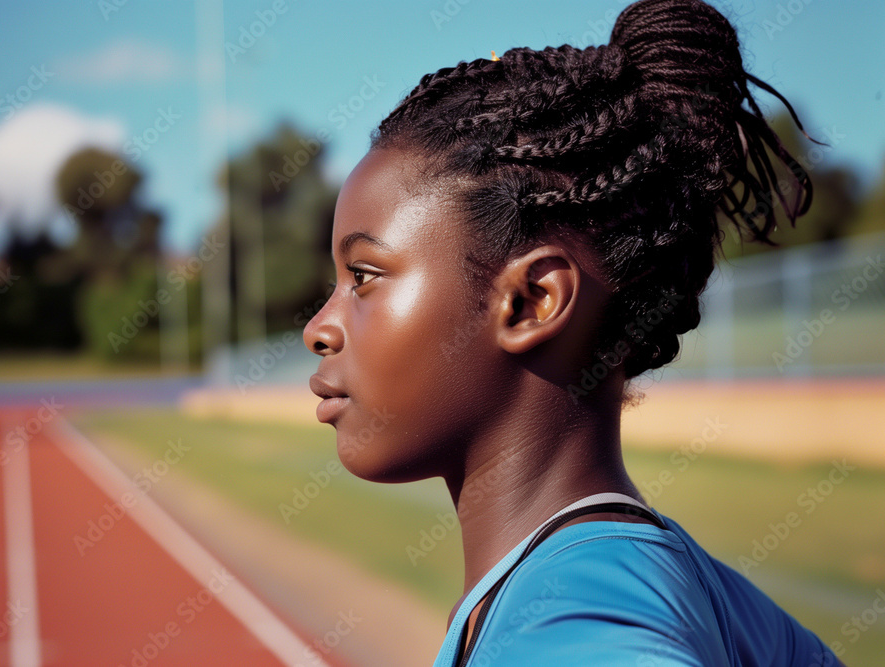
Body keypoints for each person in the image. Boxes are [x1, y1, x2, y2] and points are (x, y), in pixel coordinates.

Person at [303, 0, 843, 664]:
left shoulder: (578, 613)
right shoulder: (708, 598)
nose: (319, 328)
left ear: (532, 300)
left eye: (363, 275)